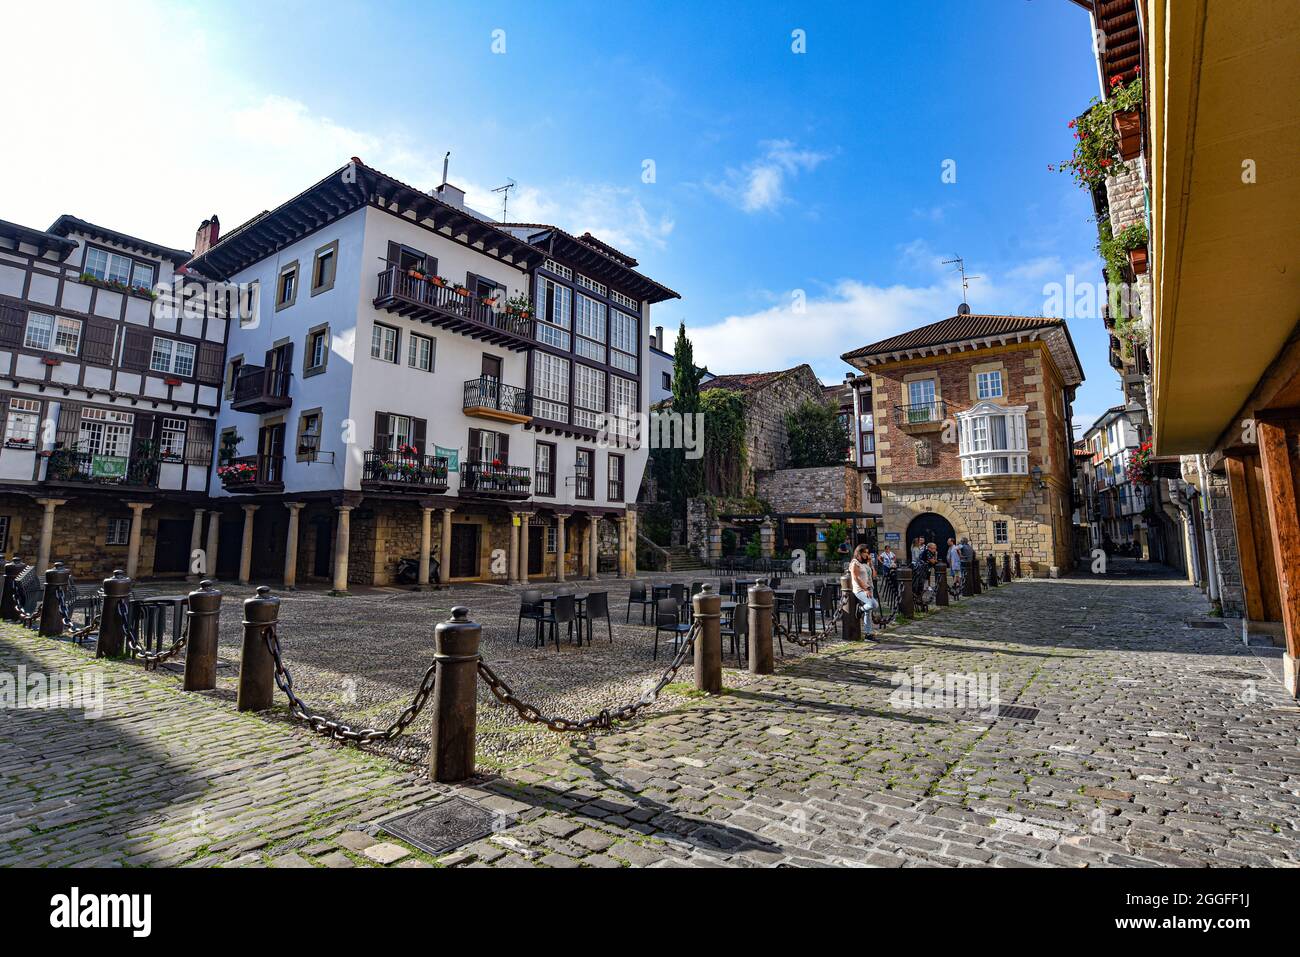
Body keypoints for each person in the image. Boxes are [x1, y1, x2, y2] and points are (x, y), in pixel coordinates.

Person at [848, 544, 877, 638]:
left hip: (868, 588)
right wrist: (865, 589)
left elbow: (874, 575)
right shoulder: (854, 563)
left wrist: (870, 563)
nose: (866, 554)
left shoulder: (863, 564)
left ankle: (868, 634)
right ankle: (860, 609)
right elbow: (856, 578)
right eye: (865, 552)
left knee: (868, 613)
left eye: (867, 552)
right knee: (873, 604)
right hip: (860, 590)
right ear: (859, 552)